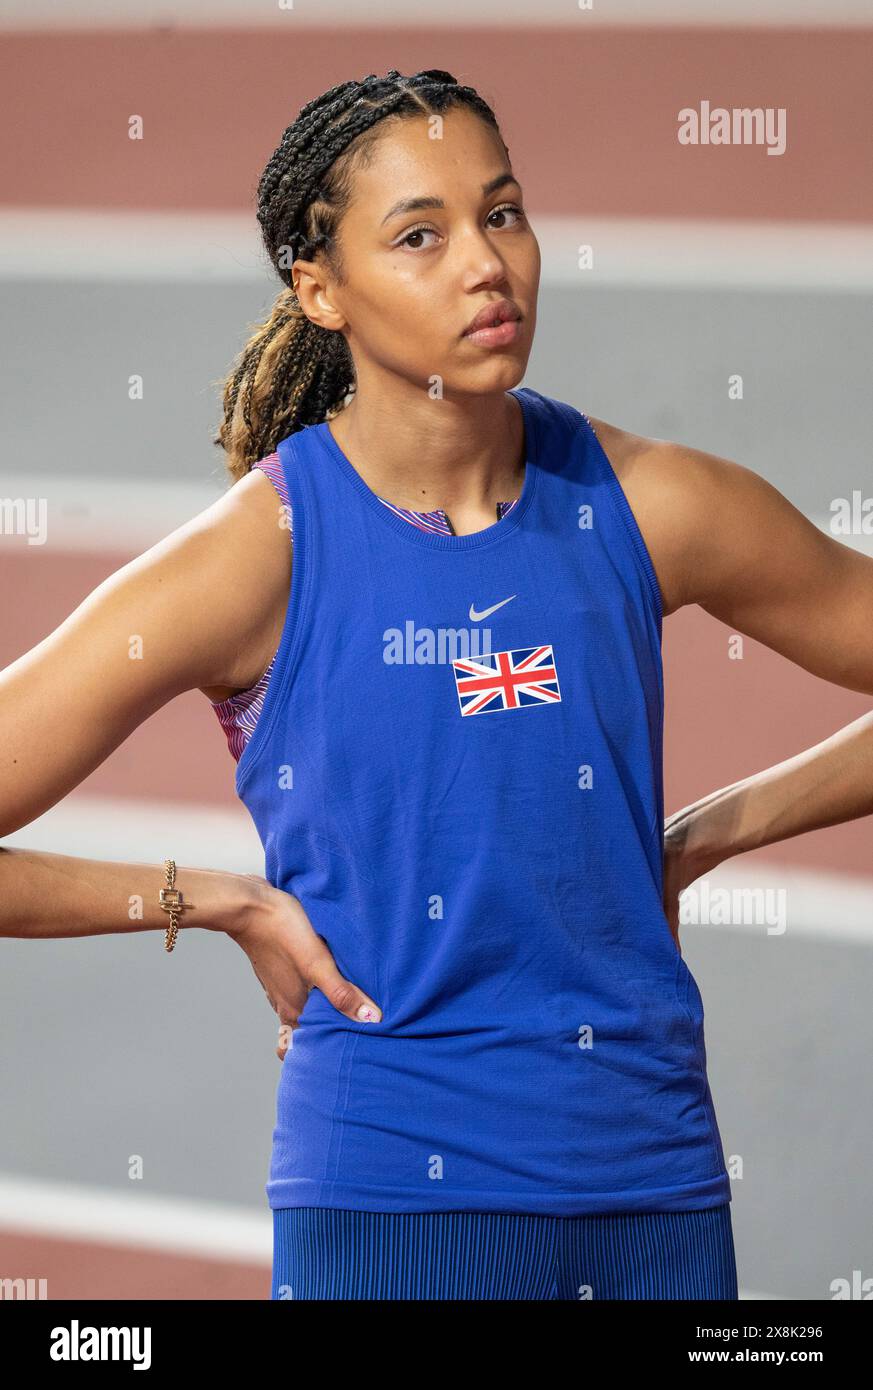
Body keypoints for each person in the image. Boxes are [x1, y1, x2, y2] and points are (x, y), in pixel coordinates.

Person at [2, 68, 871, 1302]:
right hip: (390, 1212)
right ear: (320, 291)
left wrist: (710, 833)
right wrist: (214, 901)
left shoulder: (654, 504)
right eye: (422, 235)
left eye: (502, 213)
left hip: (655, 1185)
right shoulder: (257, 560)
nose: (487, 264)